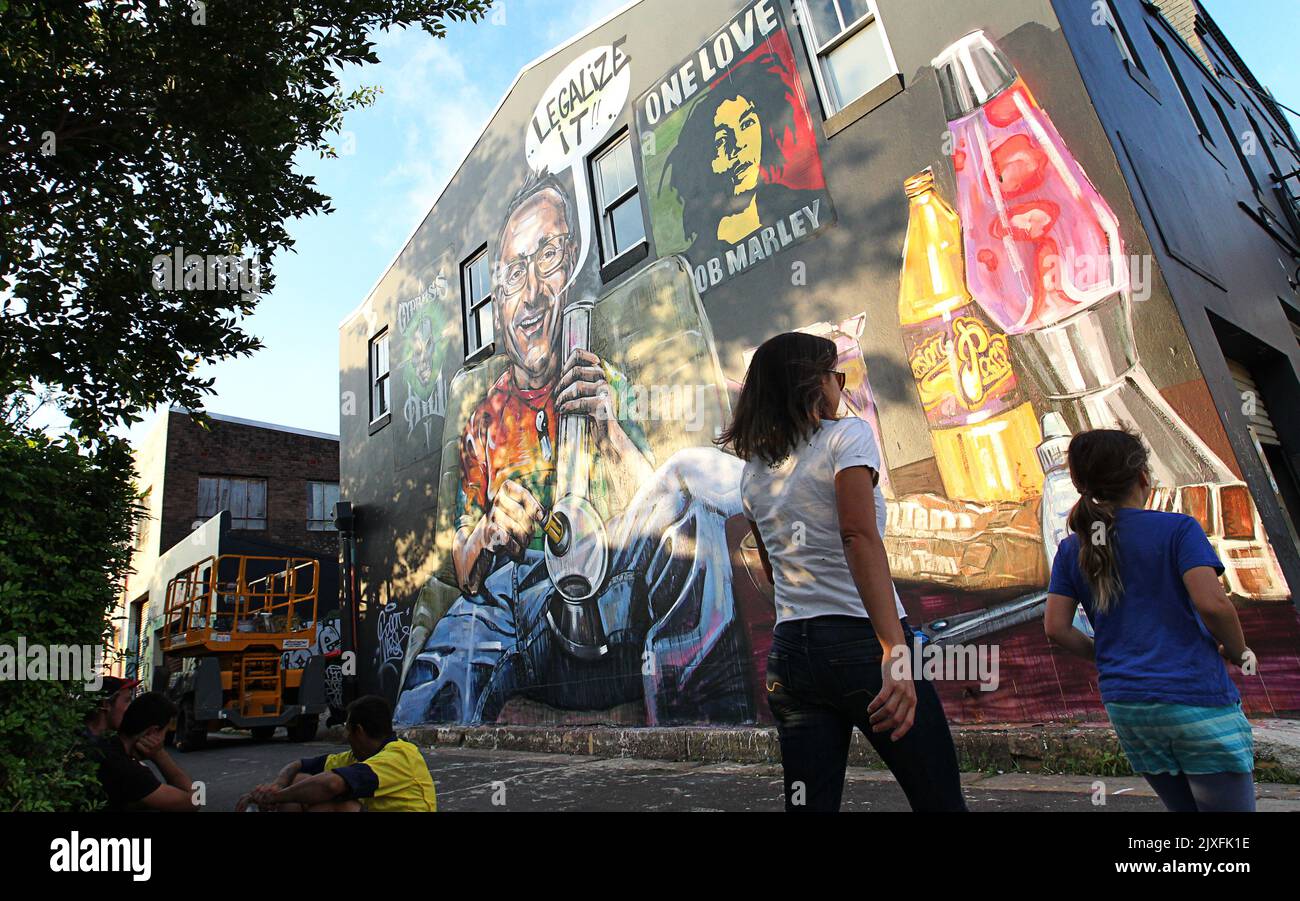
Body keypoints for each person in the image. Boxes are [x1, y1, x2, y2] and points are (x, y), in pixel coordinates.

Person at [717, 331, 966, 812]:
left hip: (791, 656)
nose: (842, 385)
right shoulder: (848, 437)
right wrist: (895, 650)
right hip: (863, 644)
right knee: (939, 799)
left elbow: (771, 568)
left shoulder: (753, 472)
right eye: (836, 375)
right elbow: (858, 536)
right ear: (811, 383)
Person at [1044, 428, 1257, 812]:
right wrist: (1238, 650)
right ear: (1143, 476)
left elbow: (1056, 627)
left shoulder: (1072, 548)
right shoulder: (1177, 530)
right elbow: (1214, 605)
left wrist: (1107, 655)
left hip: (1129, 706)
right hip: (1195, 697)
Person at [662, 52, 827, 266]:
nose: (738, 145)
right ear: (703, 161)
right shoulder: (690, 267)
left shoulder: (808, 206)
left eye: (747, 124)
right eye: (722, 139)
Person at [237, 695, 436, 812]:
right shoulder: (360, 756)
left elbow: (331, 784)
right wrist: (276, 787)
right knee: (301, 780)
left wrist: (275, 797)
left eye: (347, 729)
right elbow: (299, 765)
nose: (345, 735)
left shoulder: (400, 756)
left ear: (358, 731)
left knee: (340, 806)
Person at [95, 692, 199, 812]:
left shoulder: (106, 745)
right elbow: (195, 800)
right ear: (152, 732)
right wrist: (160, 755)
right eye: (164, 732)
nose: (164, 739)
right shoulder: (127, 769)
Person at [83, 675, 138, 740]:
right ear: (106, 704)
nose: (131, 708)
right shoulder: (75, 743)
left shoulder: (114, 741)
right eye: (126, 701)